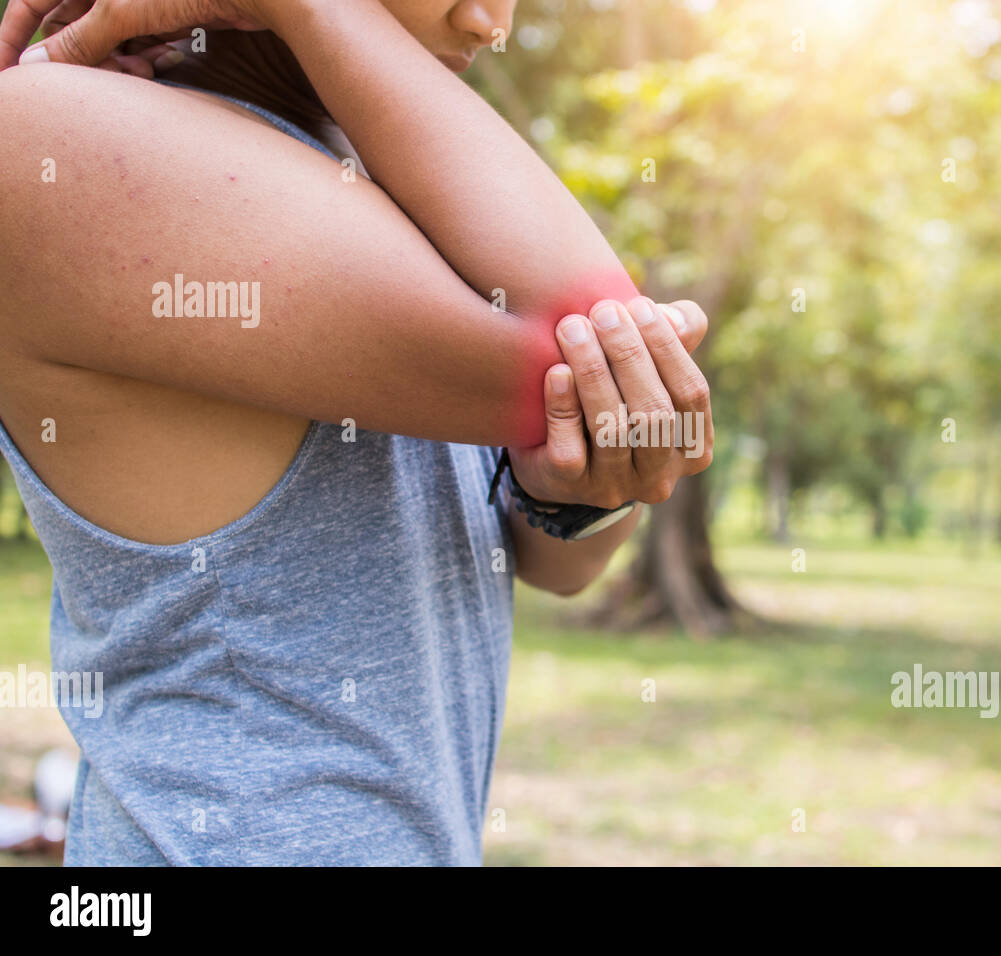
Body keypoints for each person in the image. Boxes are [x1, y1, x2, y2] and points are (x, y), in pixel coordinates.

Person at [0, 0, 714, 864]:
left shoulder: (381, 185)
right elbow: (567, 337)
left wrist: (573, 490)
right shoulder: (47, 135)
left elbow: (558, 561)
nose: (492, 22)